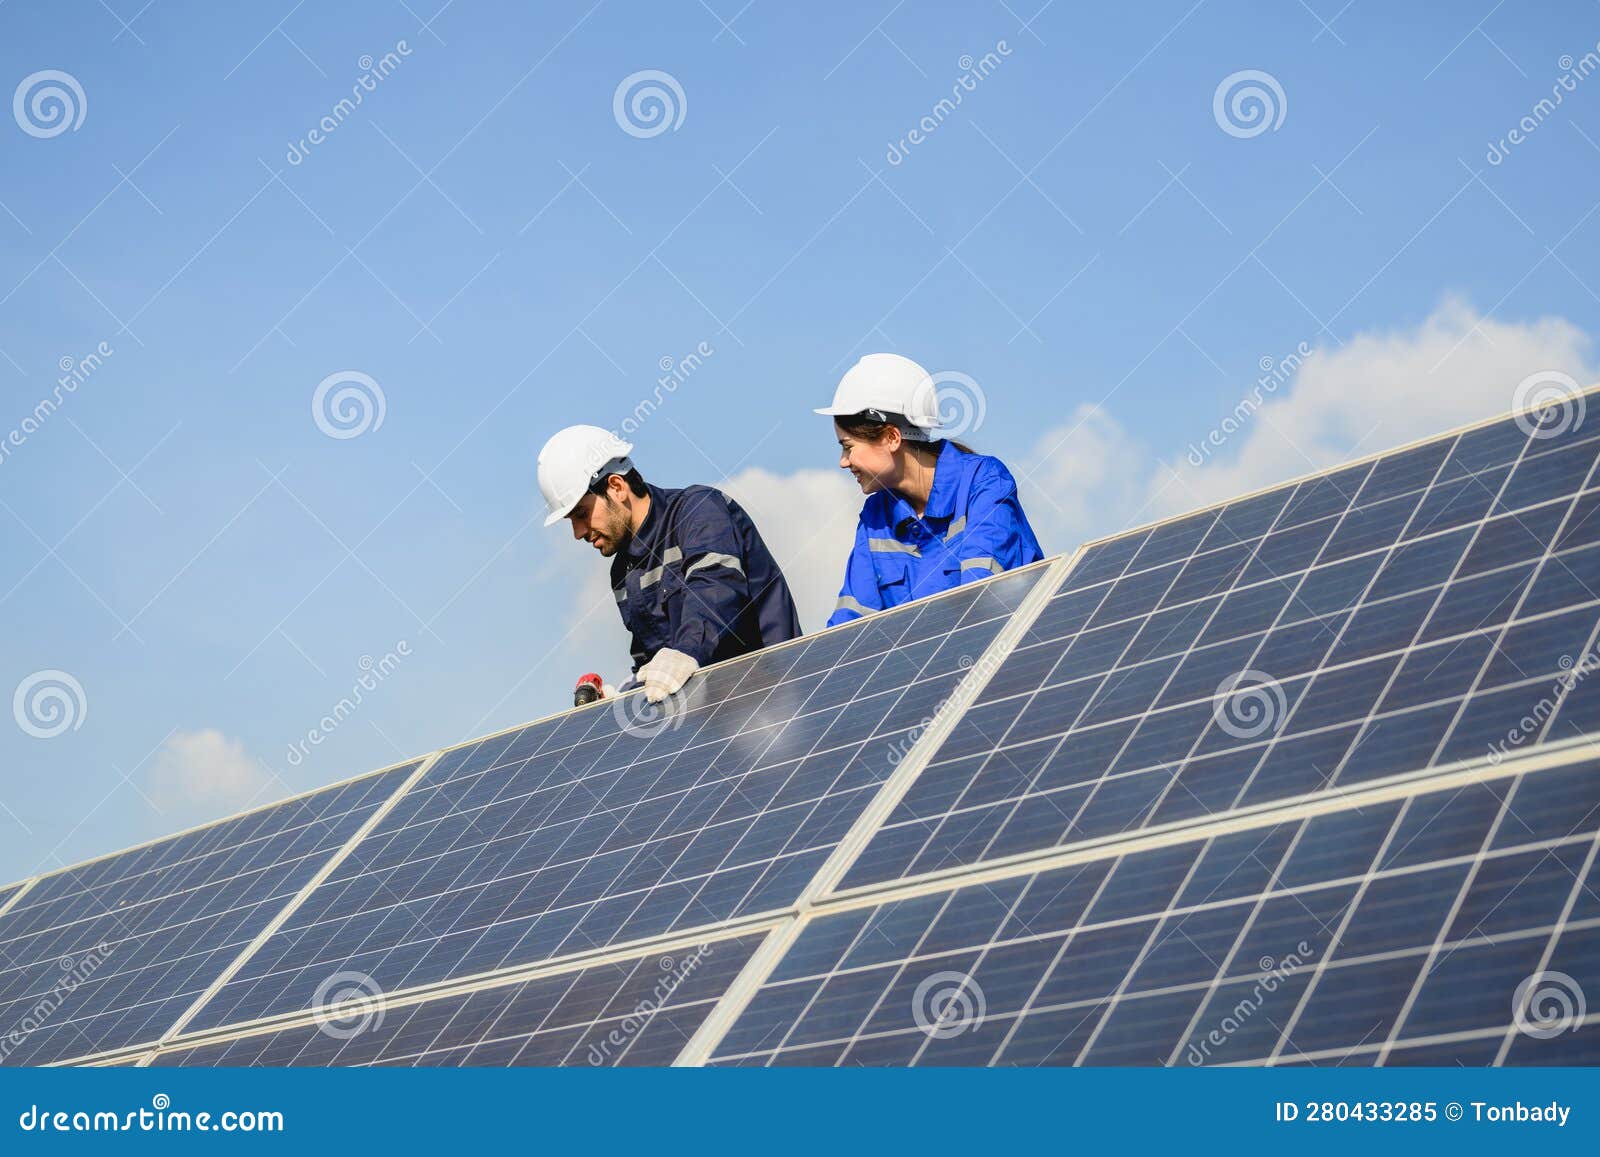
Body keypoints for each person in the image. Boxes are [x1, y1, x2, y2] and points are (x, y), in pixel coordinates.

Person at [538, 425, 802, 703]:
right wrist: (628, 695)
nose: (578, 532)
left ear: (616, 487)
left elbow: (714, 593)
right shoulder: (623, 572)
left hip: (777, 698)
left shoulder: (699, 513)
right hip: (716, 723)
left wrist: (687, 651)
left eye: (581, 514)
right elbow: (659, 667)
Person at [817, 353, 1043, 628]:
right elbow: (847, 627)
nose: (843, 462)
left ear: (891, 438)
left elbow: (981, 601)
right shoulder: (875, 517)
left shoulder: (984, 482)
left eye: (848, 446)